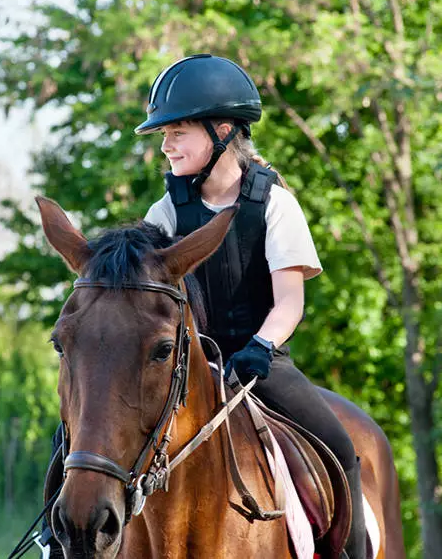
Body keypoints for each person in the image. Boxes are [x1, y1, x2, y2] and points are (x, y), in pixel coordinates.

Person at [137, 54, 367, 559]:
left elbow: (289, 303)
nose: (165, 144)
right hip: (188, 364)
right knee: (80, 437)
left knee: (340, 447)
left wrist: (260, 347)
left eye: (177, 131)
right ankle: (59, 540)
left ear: (222, 130)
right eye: (163, 133)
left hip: (260, 361)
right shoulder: (165, 213)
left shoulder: (275, 205)